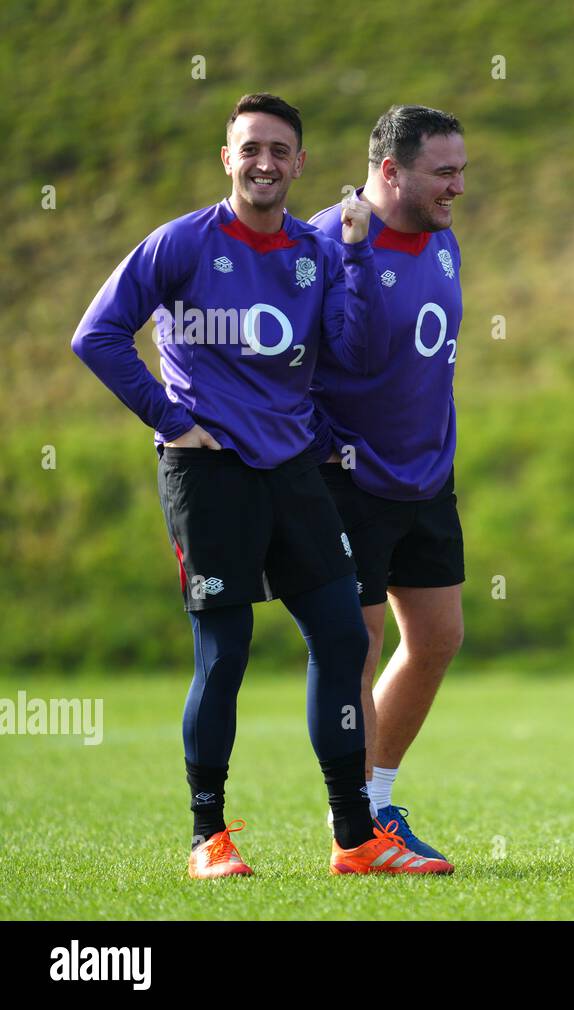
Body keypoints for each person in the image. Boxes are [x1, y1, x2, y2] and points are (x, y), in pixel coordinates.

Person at [72, 92, 445, 876]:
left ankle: (354, 836)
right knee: (225, 653)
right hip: (209, 475)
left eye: (280, 150)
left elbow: (349, 351)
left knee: (344, 638)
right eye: (251, 149)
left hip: (295, 470)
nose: (265, 163)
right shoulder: (180, 244)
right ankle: (208, 838)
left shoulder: (313, 250)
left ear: (301, 163)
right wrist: (168, 417)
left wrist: (351, 255)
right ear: (227, 159)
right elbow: (97, 334)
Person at [308, 105, 467, 869]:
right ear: (390, 170)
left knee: (437, 638)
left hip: (427, 478)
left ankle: (379, 799)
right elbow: (288, 358)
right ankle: (359, 829)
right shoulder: (320, 242)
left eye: (462, 170)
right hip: (349, 481)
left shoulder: (443, 243)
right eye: (445, 171)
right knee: (358, 649)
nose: (459, 186)